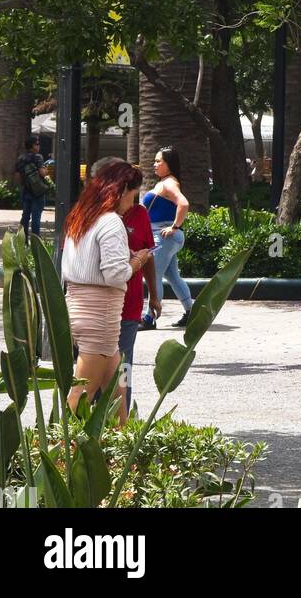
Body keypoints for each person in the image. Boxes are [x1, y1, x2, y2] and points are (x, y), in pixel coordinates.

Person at [61, 160, 154, 422]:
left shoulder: (82, 215)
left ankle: (122, 445)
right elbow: (115, 275)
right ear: (123, 190)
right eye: (133, 196)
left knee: (117, 392)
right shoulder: (112, 222)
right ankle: (58, 457)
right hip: (101, 316)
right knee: (81, 395)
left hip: (82, 308)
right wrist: (137, 261)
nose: (133, 204)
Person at [90, 157, 161, 417]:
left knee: (124, 368)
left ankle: (121, 424)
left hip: (129, 307)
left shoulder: (140, 214)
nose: (134, 197)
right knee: (92, 372)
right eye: (132, 191)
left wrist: (154, 294)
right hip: (100, 310)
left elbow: (149, 255)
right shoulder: (95, 217)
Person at [140, 147, 193, 329]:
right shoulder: (166, 182)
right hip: (167, 237)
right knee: (172, 276)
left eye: (158, 161)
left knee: (153, 276)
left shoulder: (169, 183)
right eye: (154, 161)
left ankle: (149, 318)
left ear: (169, 164)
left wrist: (174, 226)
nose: (154, 164)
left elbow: (184, 204)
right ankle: (191, 313)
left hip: (164, 237)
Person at [15, 135, 51, 240]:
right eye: (37, 144)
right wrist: (45, 170)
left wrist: (26, 182)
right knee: (36, 217)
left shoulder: (21, 158)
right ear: (32, 146)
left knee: (25, 216)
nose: (39, 146)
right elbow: (43, 173)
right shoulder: (38, 157)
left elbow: (17, 176)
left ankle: (22, 239)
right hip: (38, 192)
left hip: (26, 191)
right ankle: (36, 241)